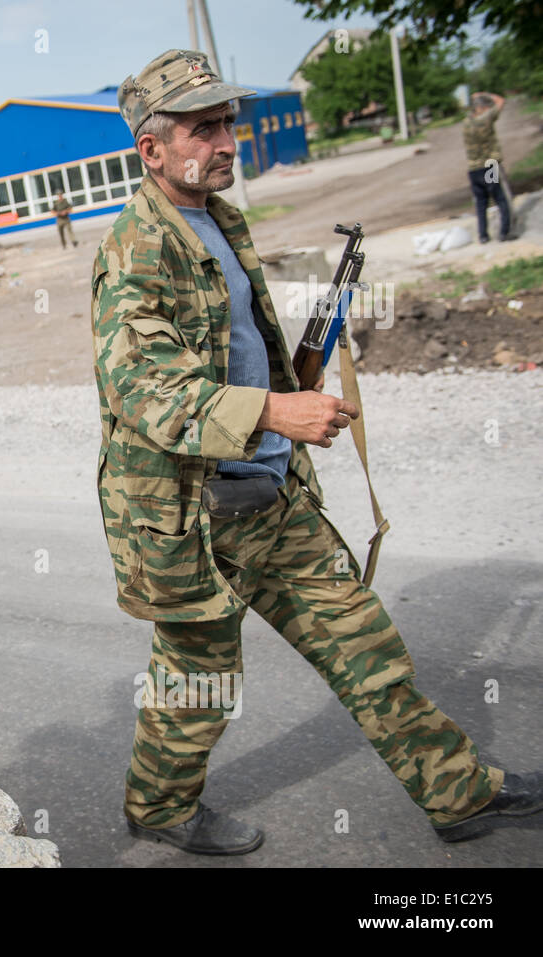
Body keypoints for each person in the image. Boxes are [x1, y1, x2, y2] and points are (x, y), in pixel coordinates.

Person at [92, 49, 541, 855]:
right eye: (205, 128)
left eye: (229, 122)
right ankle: (158, 809)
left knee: (366, 643)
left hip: (268, 495)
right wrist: (278, 410)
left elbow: (226, 343)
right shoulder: (134, 253)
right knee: (200, 685)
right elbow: (147, 395)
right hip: (190, 521)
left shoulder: (217, 217)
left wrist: (290, 376)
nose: (227, 140)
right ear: (151, 148)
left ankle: (459, 792)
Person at [464, 91, 512, 243]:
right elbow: (500, 101)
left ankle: (483, 235)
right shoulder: (486, 119)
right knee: (500, 199)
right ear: (483, 108)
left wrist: (476, 98)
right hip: (489, 166)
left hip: (473, 169)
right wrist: (484, 93)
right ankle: (504, 232)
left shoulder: (467, 122)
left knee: (481, 204)